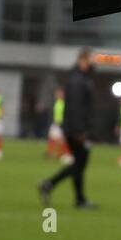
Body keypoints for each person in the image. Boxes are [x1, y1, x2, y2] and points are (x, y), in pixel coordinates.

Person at [38, 49, 97, 209]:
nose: (93, 62)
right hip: (75, 130)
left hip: (73, 128)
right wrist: (80, 131)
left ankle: (73, 196)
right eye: (91, 59)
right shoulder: (79, 81)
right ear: (82, 60)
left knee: (79, 164)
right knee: (80, 163)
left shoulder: (79, 78)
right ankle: (56, 187)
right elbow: (76, 108)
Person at [45, 87, 70, 162]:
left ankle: (61, 154)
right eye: (56, 93)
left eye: (59, 93)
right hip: (55, 123)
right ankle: (50, 153)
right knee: (52, 138)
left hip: (61, 124)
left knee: (61, 140)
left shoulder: (64, 103)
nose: (57, 95)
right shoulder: (57, 102)